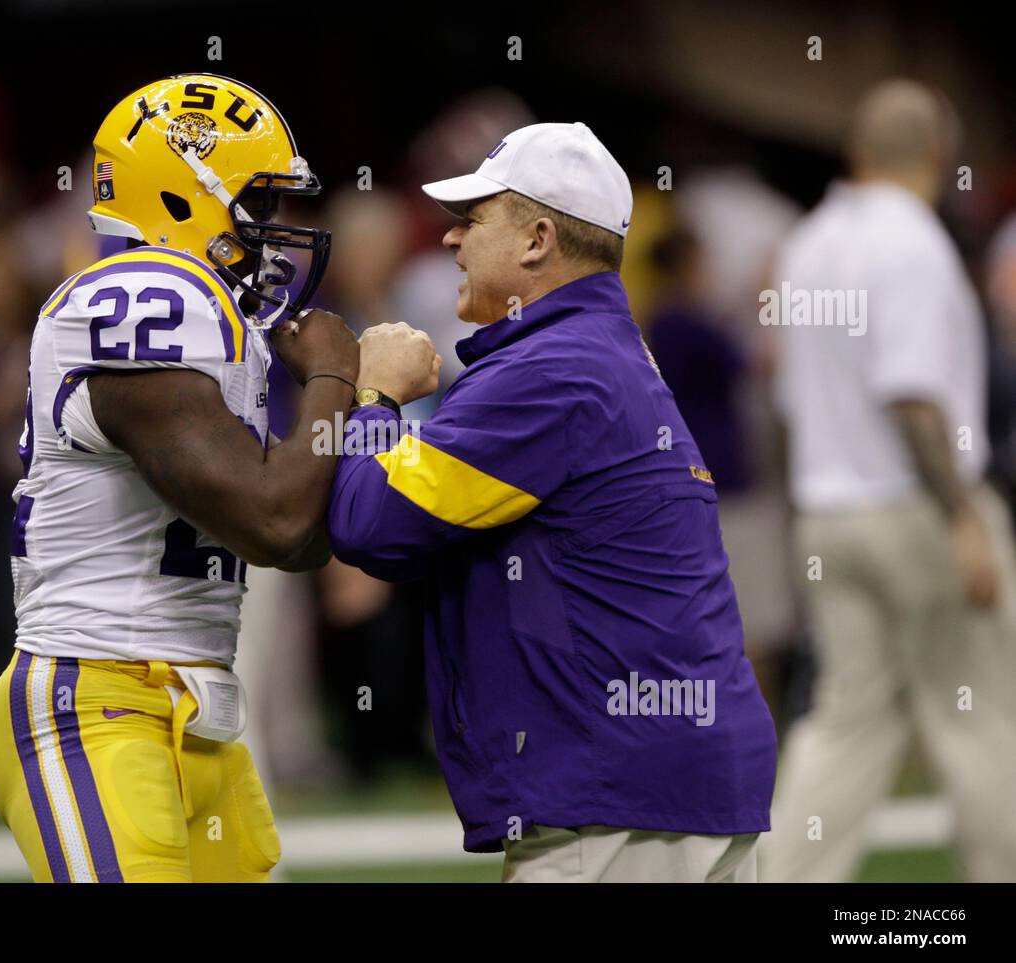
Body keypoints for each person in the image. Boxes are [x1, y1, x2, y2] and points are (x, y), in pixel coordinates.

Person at [0, 73, 415, 883]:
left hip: (198, 708)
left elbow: (301, 541)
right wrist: (341, 383)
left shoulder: (212, 312)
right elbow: (275, 520)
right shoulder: (143, 295)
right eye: (261, 204)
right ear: (184, 198)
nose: (277, 230)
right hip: (98, 701)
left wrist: (370, 404)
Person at [327, 122, 778, 882]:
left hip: (617, 798)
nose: (450, 241)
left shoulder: (552, 367)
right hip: (667, 784)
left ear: (537, 239)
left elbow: (371, 525)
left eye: (473, 220)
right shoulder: (601, 348)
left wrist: (375, 396)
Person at [764, 79, 1016, 882]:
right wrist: (965, 518)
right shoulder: (915, 244)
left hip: (827, 514)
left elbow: (785, 394)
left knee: (846, 722)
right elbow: (911, 397)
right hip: (914, 505)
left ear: (856, 152)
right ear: (941, 155)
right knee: (978, 713)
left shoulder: (806, 243)